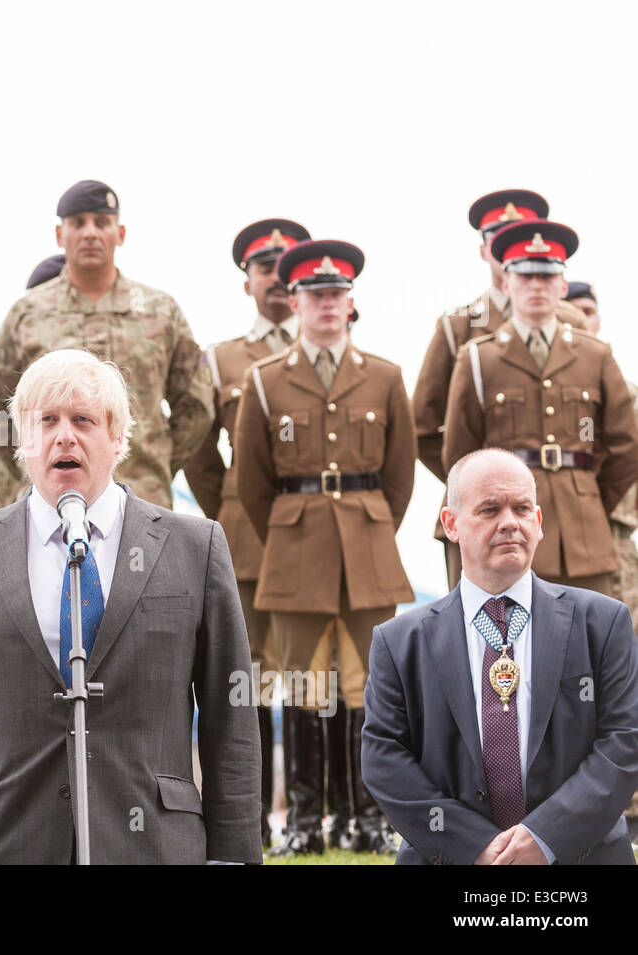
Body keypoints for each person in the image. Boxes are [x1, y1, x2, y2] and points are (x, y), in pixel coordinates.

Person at [0, 349, 259, 864]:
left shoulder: (194, 547)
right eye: (47, 421)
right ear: (24, 441)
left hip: (152, 844)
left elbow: (231, 717)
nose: (64, 436)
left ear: (117, 438)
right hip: (1, 843)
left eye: (83, 420)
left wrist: (233, 855)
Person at [362, 449, 638, 865]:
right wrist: (474, 846)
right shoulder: (399, 642)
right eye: (490, 509)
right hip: (448, 857)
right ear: (451, 524)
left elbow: (625, 740)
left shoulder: (603, 622)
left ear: (539, 523)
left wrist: (545, 838)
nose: (509, 522)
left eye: (522, 508)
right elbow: (384, 759)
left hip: (584, 855)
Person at [234, 239, 416, 856]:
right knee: (308, 688)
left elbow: (401, 476)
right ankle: (308, 821)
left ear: (351, 301)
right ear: (296, 301)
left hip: (366, 547)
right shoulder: (263, 381)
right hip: (295, 550)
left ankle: (368, 818)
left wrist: (370, 528)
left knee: (370, 690)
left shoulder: (386, 376)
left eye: (338, 294)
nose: (328, 305)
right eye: (316, 295)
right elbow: (253, 485)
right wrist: (291, 533)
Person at [0, 180, 214, 512]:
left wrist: (152, 461)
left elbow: (196, 405)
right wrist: (30, 462)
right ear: (60, 235)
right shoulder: (27, 314)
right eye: (78, 223)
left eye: (101, 222)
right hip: (50, 505)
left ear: (119, 234)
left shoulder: (162, 311)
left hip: (142, 502)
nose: (90, 233)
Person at [184, 217, 310, 848]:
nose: (279, 281)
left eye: (290, 271)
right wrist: (233, 504)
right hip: (247, 537)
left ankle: (320, 818)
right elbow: (200, 452)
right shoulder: (221, 359)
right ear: (248, 283)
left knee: (317, 677)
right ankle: (249, 819)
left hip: (318, 537)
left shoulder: (324, 352)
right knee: (248, 681)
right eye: (266, 270)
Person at [443, 220, 638, 593]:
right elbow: (460, 452)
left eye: (547, 277)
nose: (536, 286)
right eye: (525, 275)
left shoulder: (595, 355)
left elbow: (625, 445)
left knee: (586, 641)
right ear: (506, 283)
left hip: (581, 538)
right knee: (504, 647)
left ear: (562, 286)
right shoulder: (478, 359)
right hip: (502, 538)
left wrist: (587, 497)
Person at [413, 190, 584, 589]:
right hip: (481, 525)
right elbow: (423, 428)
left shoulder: (571, 321)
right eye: (499, 236)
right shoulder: (457, 327)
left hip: (572, 524)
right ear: (485, 248)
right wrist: (476, 490)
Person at [564, 280, 638, 847]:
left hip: (620, 546)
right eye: (574, 312)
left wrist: (595, 506)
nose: (582, 321)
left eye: (589, 312)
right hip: (585, 544)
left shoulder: (616, 389)